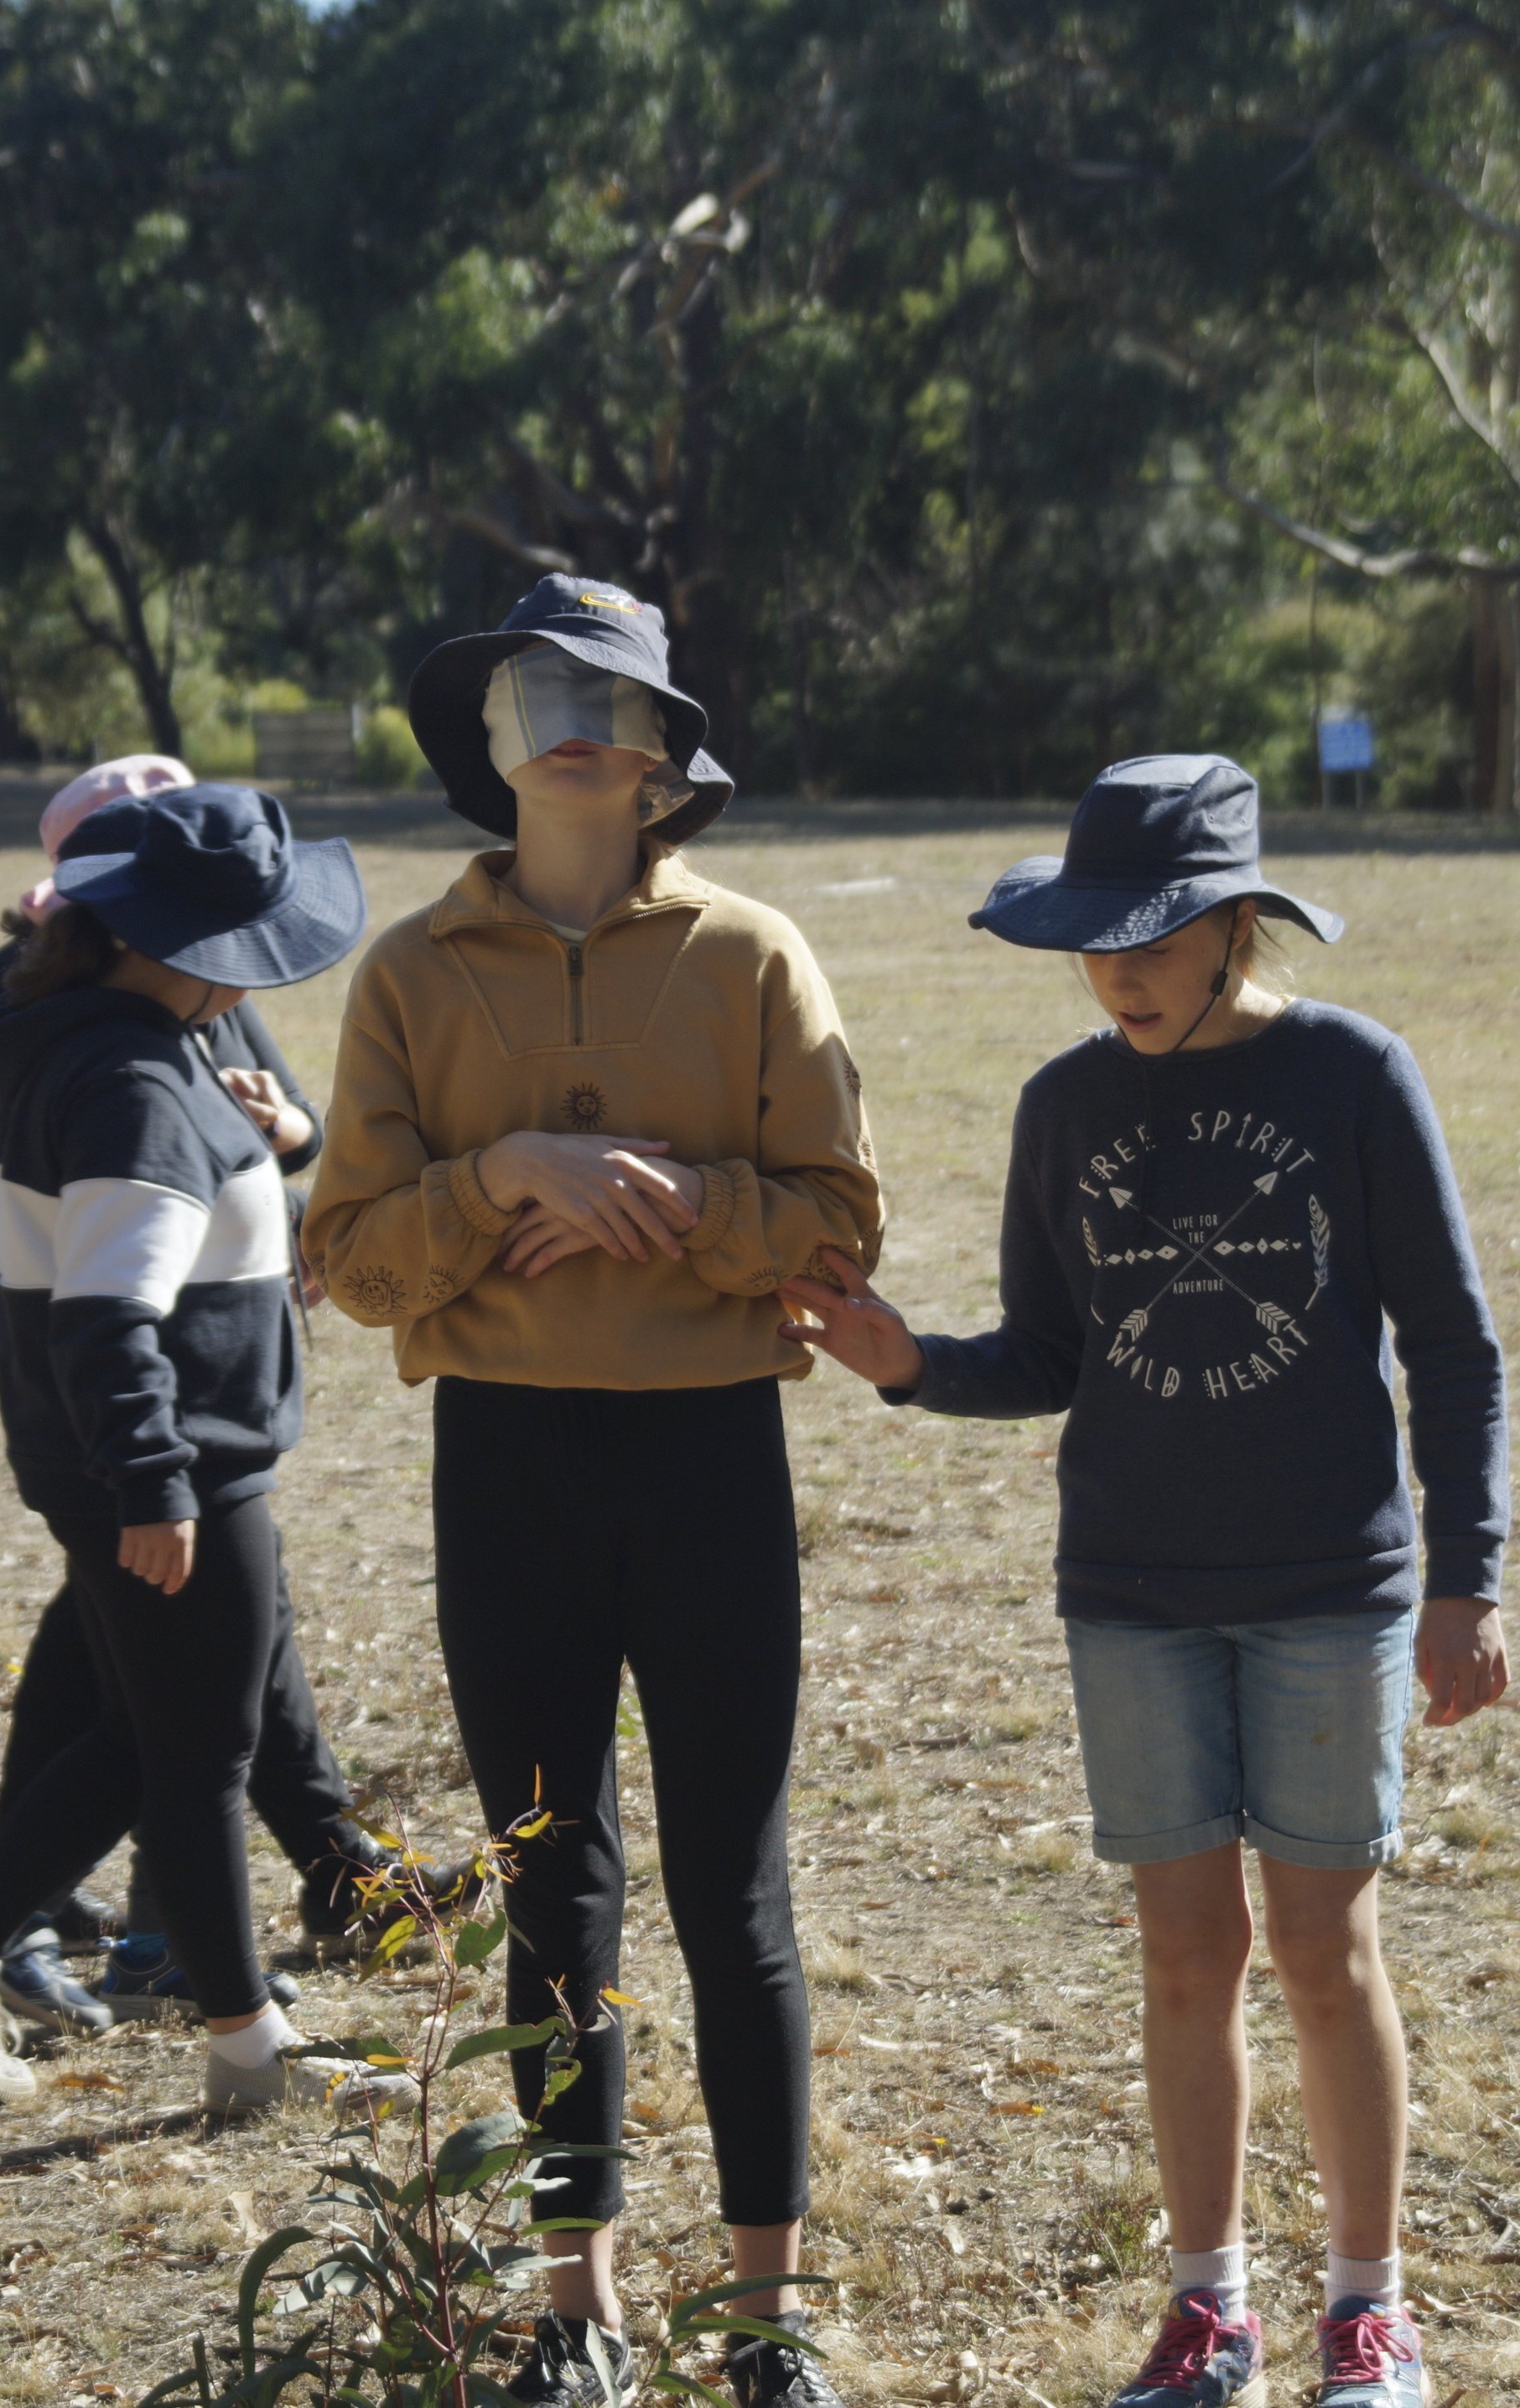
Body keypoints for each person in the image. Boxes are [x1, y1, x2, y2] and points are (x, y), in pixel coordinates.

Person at [778, 755, 1508, 2408]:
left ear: (1238, 924)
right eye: (1094, 941)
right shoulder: (1066, 1104)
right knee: (1186, 1954)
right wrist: (910, 1365)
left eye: (1154, 937)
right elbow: (1051, 1349)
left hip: (1334, 1579)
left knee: (1326, 1952)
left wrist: (1470, 1578)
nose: (1118, 969)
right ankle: (1207, 2308)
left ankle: (1369, 2310)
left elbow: (1458, 1349)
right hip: (1132, 1589)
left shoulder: (1352, 1075)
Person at [304, 575, 884, 2408]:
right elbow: (355, 1257)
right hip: (510, 1464)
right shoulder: (408, 972)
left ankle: (765, 2314)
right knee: (553, 1886)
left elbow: (843, 1232)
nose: (569, 712)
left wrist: (684, 1204)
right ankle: (583, 2306)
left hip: (713, 1451)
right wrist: (508, 1173)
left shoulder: (755, 956)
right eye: (533, 685)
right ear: (487, 738)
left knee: (736, 1888)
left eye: (608, 692)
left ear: (661, 755)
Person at [0, 784, 412, 2115]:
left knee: (151, 1738)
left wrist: (261, 1153)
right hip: (175, 1466)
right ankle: (250, 2052)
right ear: (177, 948)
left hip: (136, 1463)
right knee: (201, 1752)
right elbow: (108, 1316)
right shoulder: (133, 1081)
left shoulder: (89, 1034)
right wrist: (154, 1483)